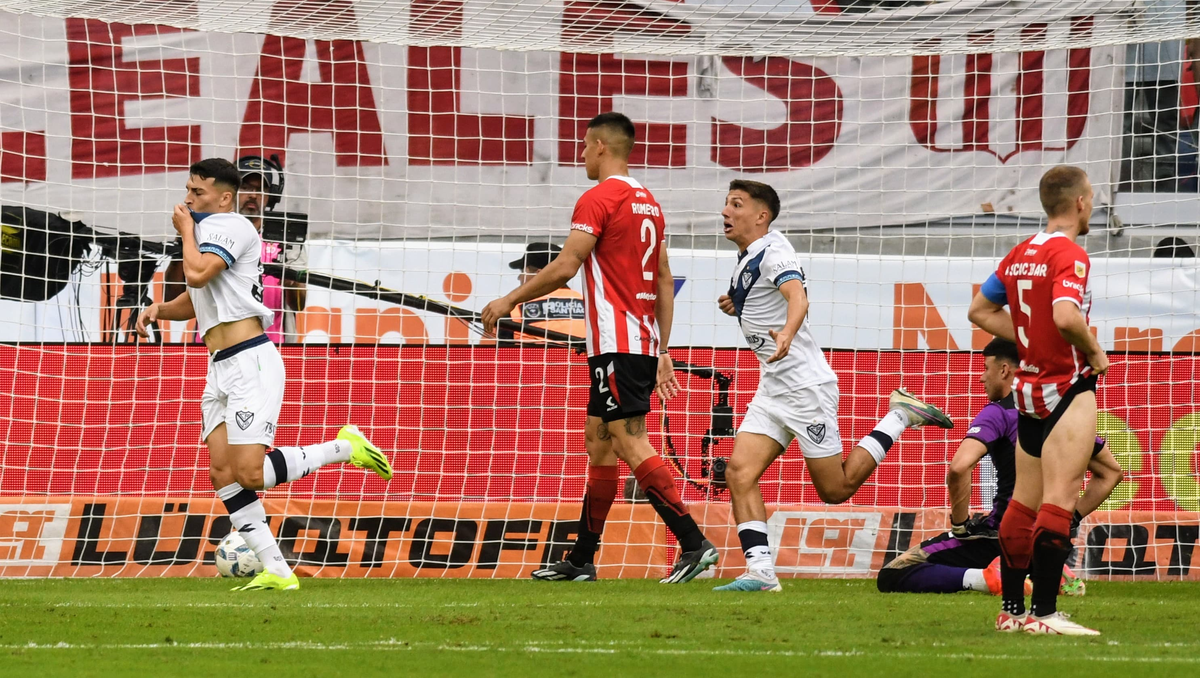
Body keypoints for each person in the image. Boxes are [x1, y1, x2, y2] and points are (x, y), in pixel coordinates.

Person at [481, 112, 718, 584]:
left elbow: (568, 264)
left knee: (630, 441)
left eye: (584, 147)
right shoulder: (649, 202)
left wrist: (509, 299)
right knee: (599, 442)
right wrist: (663, 346)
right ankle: (583, 559)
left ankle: (694, 543)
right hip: (637, 342)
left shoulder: (598, 197)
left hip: (617, 342)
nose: (580, 155)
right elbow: (665, 278)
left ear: (601, 146)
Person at [135, 158, 392, 591]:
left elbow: (197, 275)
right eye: (188, 190)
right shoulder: (207, 232)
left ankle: (343, 447)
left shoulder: (231, 226)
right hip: (220, 367)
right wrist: (160, 308)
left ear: (224, 197)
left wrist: (183, 231)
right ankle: (277, 570)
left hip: (250, 360)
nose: (188, 199)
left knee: (250, 473)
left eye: (198, 192)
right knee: (222, 472)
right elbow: (197, 299)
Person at [710, 179, 955, 593]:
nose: (725, 212)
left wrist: (788, 331)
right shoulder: (749, 257)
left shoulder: (776, 251)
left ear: (761, 216)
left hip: (805, 387)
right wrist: (738, 302)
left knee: (835, 489)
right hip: (774, 386)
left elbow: (797, 297)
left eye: (736, 205)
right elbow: (765, 295)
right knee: (739, 472)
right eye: (726, 204)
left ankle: (900, 416)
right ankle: (761, 572)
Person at [968, 165, 1108, 635]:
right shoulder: (1071, 255)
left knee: (1022, 504)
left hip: (1028, 392)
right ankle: (1045, 614)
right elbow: (1067, 316)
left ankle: (1011, 611)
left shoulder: (1018, 253)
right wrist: (1093, 351)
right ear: (1080, 203)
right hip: (1068, 385)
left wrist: (1028, 340)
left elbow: (980, 311)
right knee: (1060, 497)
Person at [876, 338, 1123, 596]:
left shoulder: (999, 412)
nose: (982, 378)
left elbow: (959, 467)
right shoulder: (1062, 415)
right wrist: (1067, 519)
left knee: (894, 573)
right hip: (1049, 538)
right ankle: (1043, 571)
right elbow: (1111, 473)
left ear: (1004, 370)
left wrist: (961, 524)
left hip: (1003, 535)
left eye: (986, 368)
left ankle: (990, 578)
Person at [164, 155, 307, 343]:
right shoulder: (200, 232)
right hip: (210, 344)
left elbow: (298, 304)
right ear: (230, 194)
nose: (253, 195)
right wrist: (183, 243)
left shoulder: (286, 241)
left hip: (274, 344)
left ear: (272, 195)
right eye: (246, 188)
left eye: (260, 189)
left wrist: (291, 279)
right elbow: (172, 296)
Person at [502, 242, 586, 343]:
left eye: (523, 271)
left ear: (540, 275)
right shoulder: (589, 305)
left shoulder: (513, 308)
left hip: (532, 358)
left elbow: (495, 354)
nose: (519, 277)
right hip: (585, 358)